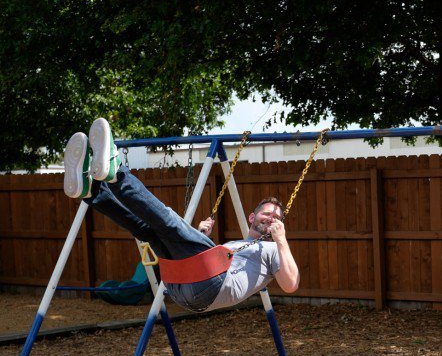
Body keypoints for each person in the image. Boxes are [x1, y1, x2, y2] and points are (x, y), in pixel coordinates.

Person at [62, 117, 300, 312]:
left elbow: (290, 285)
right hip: (180, 284)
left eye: (277, 218)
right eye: (266, 214)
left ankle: (116, 174)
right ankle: (93, 191)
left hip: (208, 286)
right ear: (251, 218)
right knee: (146, 230)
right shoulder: (238, 245)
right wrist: (198, 237)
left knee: (167, 220)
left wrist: (281, 240)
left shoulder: (272, 250)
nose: (271, 219)